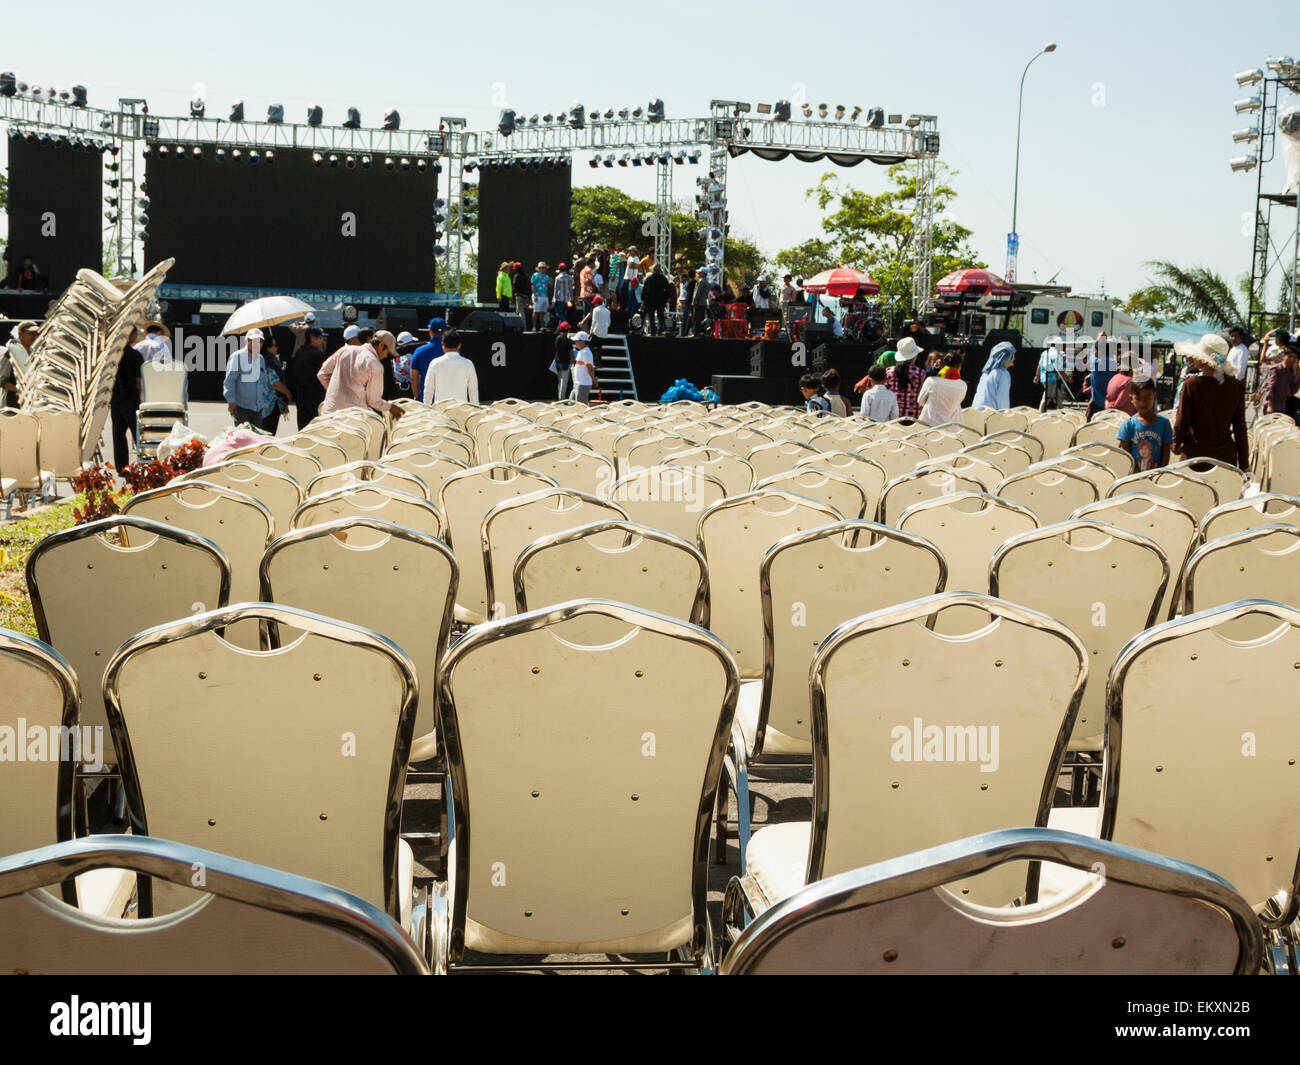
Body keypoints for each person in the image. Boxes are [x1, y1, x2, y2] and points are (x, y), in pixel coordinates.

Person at [1171, 333, 1249, 471]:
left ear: (1204, 359)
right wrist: (1244, 464)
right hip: (1226, 459)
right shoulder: (1236, 387)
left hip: (1194, 457)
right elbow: (1240, 428)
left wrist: (1175, 446)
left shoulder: (1191, 385)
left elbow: (1182, 421)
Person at [318, 326, 403, 420]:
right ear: (381, 345)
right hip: (354, 419)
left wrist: (337, 393)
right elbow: (374, 401)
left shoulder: (345, 350)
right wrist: (390, 407)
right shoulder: (375, 364)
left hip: (328, 415)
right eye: (387, 352)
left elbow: (322, 374)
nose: (386, 356)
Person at [1117, 377, 1173, 472]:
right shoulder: (1128, 425)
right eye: (1138, 399)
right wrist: (1139, 476)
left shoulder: (1164, 423)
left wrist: (1158, 473)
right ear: (1131, 398)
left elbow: (1166, 453)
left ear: (1154, 397)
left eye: (1147, 398)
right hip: (1134, 478)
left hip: (1156, 477)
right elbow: (1126, 455)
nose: (1143, 403)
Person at [109, 329, 145, 468]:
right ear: (131, 335)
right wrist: (142, 397)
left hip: (116, 397)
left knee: (118, 434)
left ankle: (121, 466)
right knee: (138, 432)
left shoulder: (114, 354)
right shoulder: (135, 355)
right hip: (130, 397)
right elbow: (138, 380)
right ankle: (142, 463)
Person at [223, 327, 272, 428]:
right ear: (247, 341)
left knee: (256, 439)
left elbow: (262, 380)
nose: (257, 343)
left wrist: (263, 396)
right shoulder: (237, 356)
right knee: (243, 438)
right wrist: (231, 400)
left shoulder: (261, 359)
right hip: (241, 407)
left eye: (260, 341)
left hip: (258, 408)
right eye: (254, 341)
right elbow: (230, 380)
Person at [422, 329, 478, 405]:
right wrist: (475, 408)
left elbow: (428, 389)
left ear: (442, 345)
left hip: (440, 411)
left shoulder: (435, 363)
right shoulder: (468, 364)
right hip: (461, 410)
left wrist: (427, 407)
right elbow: (473, 390)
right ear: (459, 345)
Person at [289, 326, 328, 429]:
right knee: (315, 426)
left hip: (300, 395)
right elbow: (324, 375)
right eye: (320, 338)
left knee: (302, 425)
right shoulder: (318, 354)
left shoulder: (298, 353)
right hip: (315, 395)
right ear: (312, 338)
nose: (322, 341)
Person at [916, 353, 968, 427]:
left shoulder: (931, 381)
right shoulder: (963, 385)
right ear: (958, 366)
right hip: (953, 430)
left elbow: (920, 401)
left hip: (929, 428)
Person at [259, 334, 293, 434]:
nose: (277, 347)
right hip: (270, 404)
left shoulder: (266, 359)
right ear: (268, 347)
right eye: (275, 345)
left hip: (264, 403)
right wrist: (288, 393)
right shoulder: (269, 361)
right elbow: (275, 382)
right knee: (268, 433)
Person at [885, 337, 927, 418]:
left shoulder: (889, 372)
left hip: (892, 420)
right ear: (914, 355)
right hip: (914, 420)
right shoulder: (921, 374)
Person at [409, 318, 446, 403]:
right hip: (447, 401)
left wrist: (416, 396)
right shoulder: (454, 351)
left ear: (430, 331)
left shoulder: (420, 351)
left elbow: (413, 377)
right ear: (445, 332)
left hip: (426, 400)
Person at [1261, 341, 1300, 418]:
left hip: (1283, 407)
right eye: (1290, 356)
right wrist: (1270, 405)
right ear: (1284, 356)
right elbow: (1271, 388)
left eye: (1294, 358)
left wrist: (1296, 373)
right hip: (1273, 405)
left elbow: (1293, 391)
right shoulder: (1277, 369)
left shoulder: (1292, 371)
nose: (1292, 360)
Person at [972, 342, 1015, 410]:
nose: (1012, 364)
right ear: (1006, 358)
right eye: (1011, 359)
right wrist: (1005, 416)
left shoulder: (985, 372)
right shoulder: (1003, 374)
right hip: (989, 416)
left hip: (974, 412)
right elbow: (1003, 400)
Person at [640, 264, 672, 336]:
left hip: (650, 300)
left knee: (651, 317)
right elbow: (667, 289)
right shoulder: (663, 278)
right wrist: (668, 297)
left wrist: (642, 300)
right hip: (660, 300)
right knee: (661, 317)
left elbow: (644, 290)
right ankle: (660, 331)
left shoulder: (649, 278)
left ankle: (653, 332)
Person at [1037, 338, 1064, 411]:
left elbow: (1039, 365)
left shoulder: (1045, 352)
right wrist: (1067, 378)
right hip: (1051, 379)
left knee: (1056, 394)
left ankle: (1062, 410)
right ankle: (1040, 412)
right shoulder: (1058, 354)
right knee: (1047, 396)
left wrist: (1037, 376)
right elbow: (1060, 369)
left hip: (1044, 377)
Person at [580, 295, 610, 361]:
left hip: (596, 332)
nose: (594, 304)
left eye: (594, 303)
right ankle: (598, 363)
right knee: (599, 348)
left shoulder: (596, 310)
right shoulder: (608, 311)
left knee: (590, 347)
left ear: (596, 302)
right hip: (604, 333)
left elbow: (594, 321)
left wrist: (591, 332)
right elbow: (609, 323)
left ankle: (589, 361)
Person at [571, 331, 596, 405]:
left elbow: (590, 368)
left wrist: (593, 380)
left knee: (581, 407)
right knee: (573, 404)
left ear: (582, 341)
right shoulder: (582, 352)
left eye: (577, 340)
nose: (575, 342)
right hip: (578, 383)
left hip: (583, 384)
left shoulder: (586, 352)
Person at [552, 322, 573, 400]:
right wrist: (572, 361)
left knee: (560, 381)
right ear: (568, 330)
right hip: (565, 363)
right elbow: (570, 353)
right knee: (564, 382)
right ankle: (562, 398)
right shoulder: (568, 341)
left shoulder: (558, 338)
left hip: (558, 362)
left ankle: (560, 397)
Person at [530, 262, 551, 331]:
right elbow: (533, 285)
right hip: (538, 295)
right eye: (541, 268)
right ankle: (534, 327)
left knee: (542, 312)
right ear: (539, 269)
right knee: (535, 312)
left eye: (544, 268)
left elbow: (548, 286)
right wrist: (535, 295)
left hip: (545, 296)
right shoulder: (535, 275)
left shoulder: (547, 277)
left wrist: (547, 297)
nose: (543, 269)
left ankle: (542, 326)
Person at [552, 263, 573, 328]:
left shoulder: (558, 277)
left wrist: (554, 299)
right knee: (564, 313)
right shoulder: (569, 277)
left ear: (559, 269)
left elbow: (556, 289)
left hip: (559, 299)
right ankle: (560, 327)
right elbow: (571, 289)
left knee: (559, 314)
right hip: (567, 299)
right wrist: (571, 298)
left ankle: (565, 323)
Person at [692, 267, 711, 335]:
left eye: (700, 272)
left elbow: (697, 292)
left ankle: (696, 332)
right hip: (703, 302)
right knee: (701, 318)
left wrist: (694, 301)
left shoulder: (701, 281)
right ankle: (701, 332)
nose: (698, 274)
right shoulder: (707, 281)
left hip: (698, 302)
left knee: (696, 318)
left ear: (703, 273)